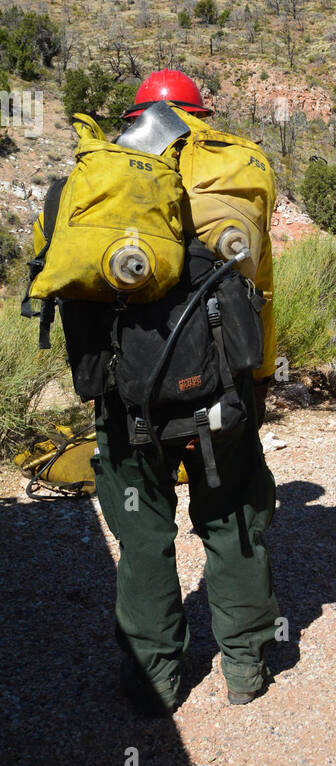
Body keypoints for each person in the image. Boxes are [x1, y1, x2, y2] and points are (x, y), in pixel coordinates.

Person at [31, 70, 279, 716]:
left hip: (126, 396)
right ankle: (246, 666)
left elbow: (52, 271)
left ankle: (154, 680)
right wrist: (260, 376)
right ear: (199, 115)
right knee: (232, 518)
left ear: (135, 118)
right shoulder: (238, 174)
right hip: (221, 390)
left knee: (143, 535)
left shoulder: (91, 187)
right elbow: (261, 284)